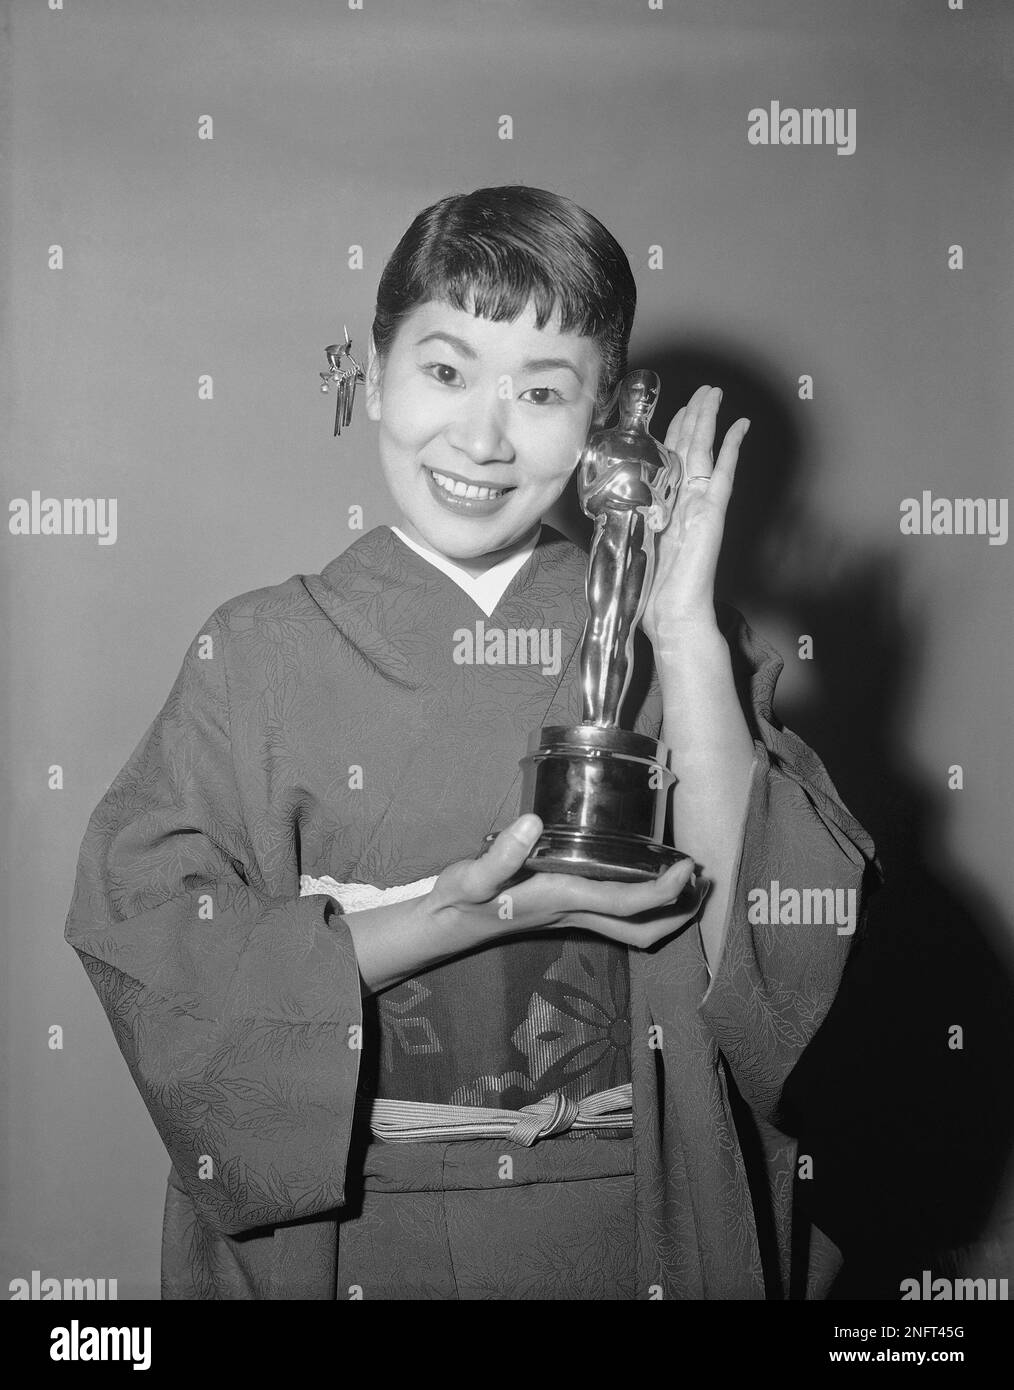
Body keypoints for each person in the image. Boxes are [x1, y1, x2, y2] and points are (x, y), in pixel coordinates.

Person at [64, 184, 881, 1300]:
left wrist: (683, 628)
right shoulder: (255, 652)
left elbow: (782, 975)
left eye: (542, 392)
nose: (483, 438)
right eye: (445, 371)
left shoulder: (663, 638)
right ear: (371, 367)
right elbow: (151, 941)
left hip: (621, 1220)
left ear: (604, 420)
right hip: (354, 1223)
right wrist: (449, 914)